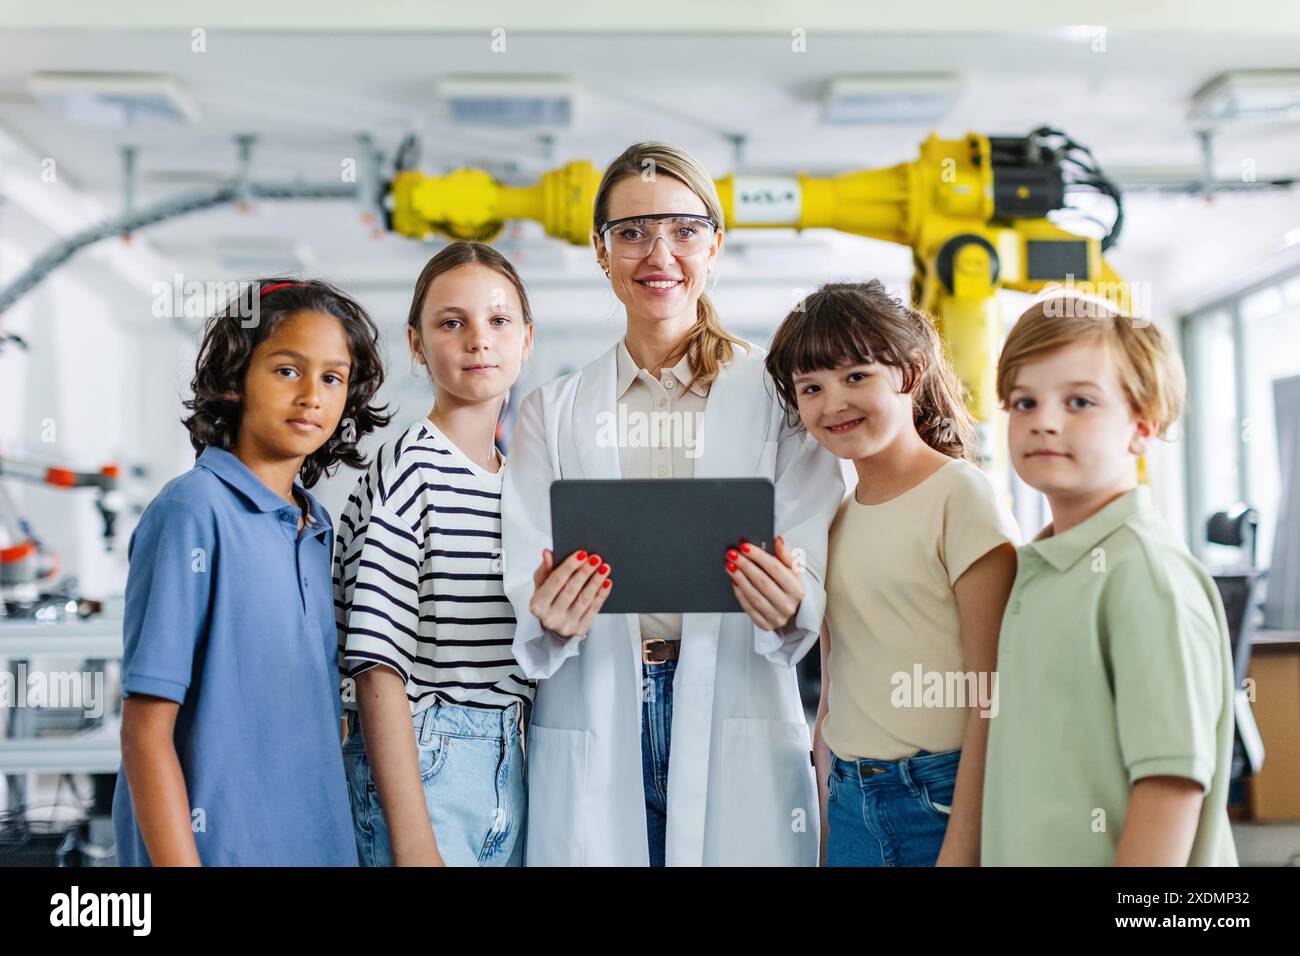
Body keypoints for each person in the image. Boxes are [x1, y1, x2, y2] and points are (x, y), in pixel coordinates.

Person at [500, 141, 846, 866]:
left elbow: (812, 549)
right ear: (600, 251)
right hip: (598, 708)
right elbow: (522, 570)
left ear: (714, 245)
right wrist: (548, 617)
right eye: (631, 232)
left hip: (734, 703)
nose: (659, 252)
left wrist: (794, 600)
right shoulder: (553, 412)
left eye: (684, 230)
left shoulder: (780, 401)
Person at [114, 279, 389, 865]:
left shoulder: (316, 530)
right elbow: (144, 732)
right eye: (288, 371)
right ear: (236, 378)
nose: (312, 395)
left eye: (333, 378)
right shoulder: (192, 511)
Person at [765, 280, 1018, 866]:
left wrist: (964, 847)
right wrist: (830, 825)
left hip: (940, 796)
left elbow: (994, 695)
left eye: (856, 376)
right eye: (812, 387)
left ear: (910, 372)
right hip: (852, 798)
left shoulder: (961, 495)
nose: (833, 403)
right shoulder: (832, 519)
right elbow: (833, 692)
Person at [982, 294, 1238, 866]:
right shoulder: (1036, 568)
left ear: (1141, 430)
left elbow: (1170, 786)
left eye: (1080, 401)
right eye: (1024, 402)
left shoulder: (1145, 574)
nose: (1044, 420)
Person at [335, 242, 535, 866]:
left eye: (499, 321)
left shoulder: (522, 483)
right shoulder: (409, 468)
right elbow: (376, 668)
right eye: (453, 323)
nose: (480, 340)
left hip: (508, 752)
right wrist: (415, 843)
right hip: (427, 759)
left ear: (526, 339)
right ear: (417, 345)